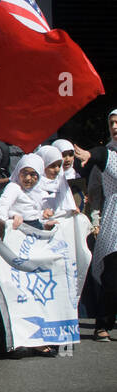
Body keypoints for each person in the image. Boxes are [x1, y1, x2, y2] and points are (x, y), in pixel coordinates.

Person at [87, 109, 117, 342]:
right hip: (113, 219)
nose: (115, 127)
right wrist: (95, 220)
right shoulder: (104, 155)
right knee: (111, 275)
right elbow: (95, 192)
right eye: (112, 123)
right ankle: (103, 323)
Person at [0, 154, 50, 234]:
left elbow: (33, 213)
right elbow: (2, 206)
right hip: (19, 229)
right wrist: (1, 222)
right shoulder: (14, 187)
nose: (28, 178)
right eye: (24, 173)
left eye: (33, 174)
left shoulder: (38, 191)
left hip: (35, 227)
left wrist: (44, 216)